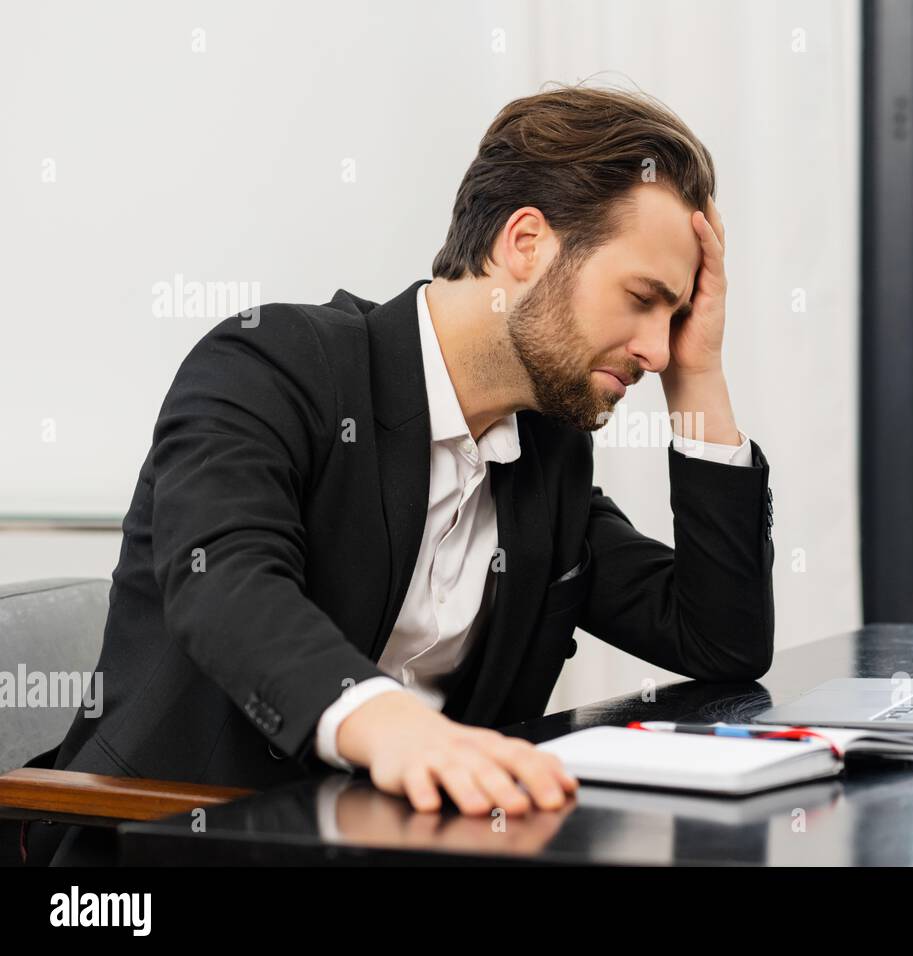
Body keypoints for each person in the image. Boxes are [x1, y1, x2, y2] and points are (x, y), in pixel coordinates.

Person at [24, 84, 775, 865]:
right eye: (643, 299)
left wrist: (701, 376)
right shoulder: (274, 364)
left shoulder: (544, 458)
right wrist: (393, 728)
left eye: (675, 317)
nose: (657, 348)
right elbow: (227, 583)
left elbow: (719, 640)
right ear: (525, 244)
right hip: (167, 852)